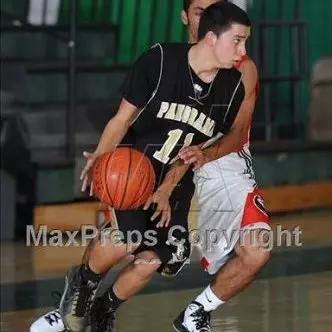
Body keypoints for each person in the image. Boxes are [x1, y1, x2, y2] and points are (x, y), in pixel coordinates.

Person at [30, 2, 259, 332]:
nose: (243, 50)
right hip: (134, 166)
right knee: (126, 238)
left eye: (245, 41)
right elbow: (122, 119)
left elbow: (195, 149)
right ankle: (81, 284)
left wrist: (167, 188)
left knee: (151, 261)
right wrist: (100, 157)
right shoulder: (161, 60)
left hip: (175, 180)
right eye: (237, 40)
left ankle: (102, 311)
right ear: (211, 38)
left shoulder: (231, 87)